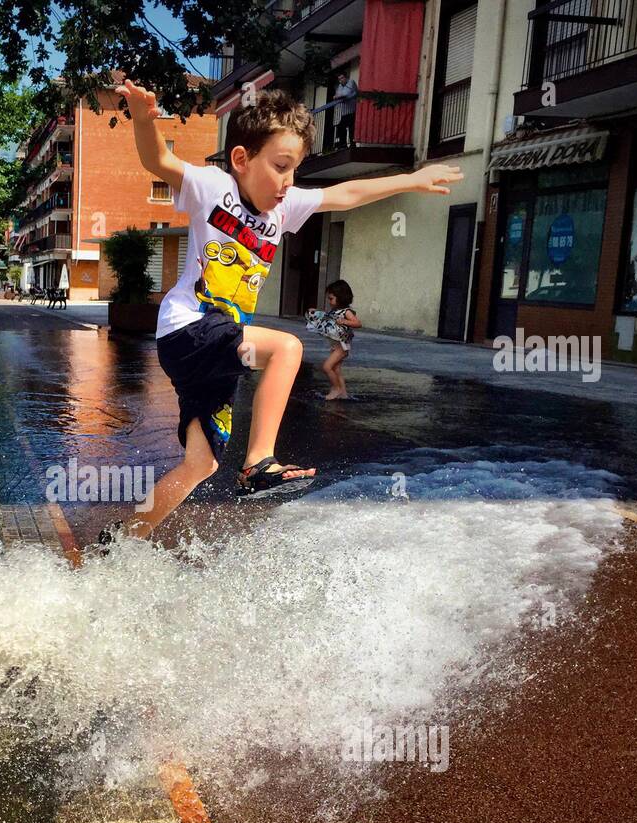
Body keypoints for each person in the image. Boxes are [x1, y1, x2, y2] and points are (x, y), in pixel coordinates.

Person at [98, 79, 461, 545]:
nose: (289, 182)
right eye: (281, 166)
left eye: (296, 170)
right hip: (189, 326)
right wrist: (146, 120)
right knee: (287, 348)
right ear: (242, 160)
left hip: (217, 344)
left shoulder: (284, 209)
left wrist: (410, 180)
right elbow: (159, 161)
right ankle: (258, 464)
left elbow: (346, 195)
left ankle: (122, 538)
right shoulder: (213, 188)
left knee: (201, 464)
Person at [306, 280, 361, 400]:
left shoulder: (346, 311)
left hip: (342, 347)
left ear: (340, 297)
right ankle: (343, 393)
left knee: (326, 367)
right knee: (336, 369)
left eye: (331, 299)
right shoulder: (335, 311)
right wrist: (316, 312)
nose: (329, 301)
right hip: (336, 345)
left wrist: (345, 321)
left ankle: (336, 388)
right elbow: (327, 317)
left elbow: (357, 323)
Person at [333, 72, 358, 148]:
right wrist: (338, 96)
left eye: (342, 78)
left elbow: (346, 94)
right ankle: (343, 145)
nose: (341, 80)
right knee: (341, 127)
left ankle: (352, 145)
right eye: (339, 79)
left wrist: (338, 96)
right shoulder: (340, 86)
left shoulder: (351, 82)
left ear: (346, 77)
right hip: (344, 112)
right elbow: (337, 95)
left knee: (351, 128)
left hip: (352, 110)